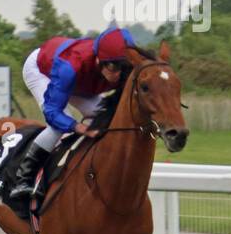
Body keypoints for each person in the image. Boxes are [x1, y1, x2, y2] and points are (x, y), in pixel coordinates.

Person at [8, 25, 136, 202]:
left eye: (125, 67)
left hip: (81, 81)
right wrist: (79, 127)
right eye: (115, 68)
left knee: (106, 119)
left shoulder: (120, 69)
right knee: (58, 127)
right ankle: (23, 179)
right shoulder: (69, 68)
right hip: (42, 70)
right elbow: (52, 112)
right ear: (100, 60)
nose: (119, 75)